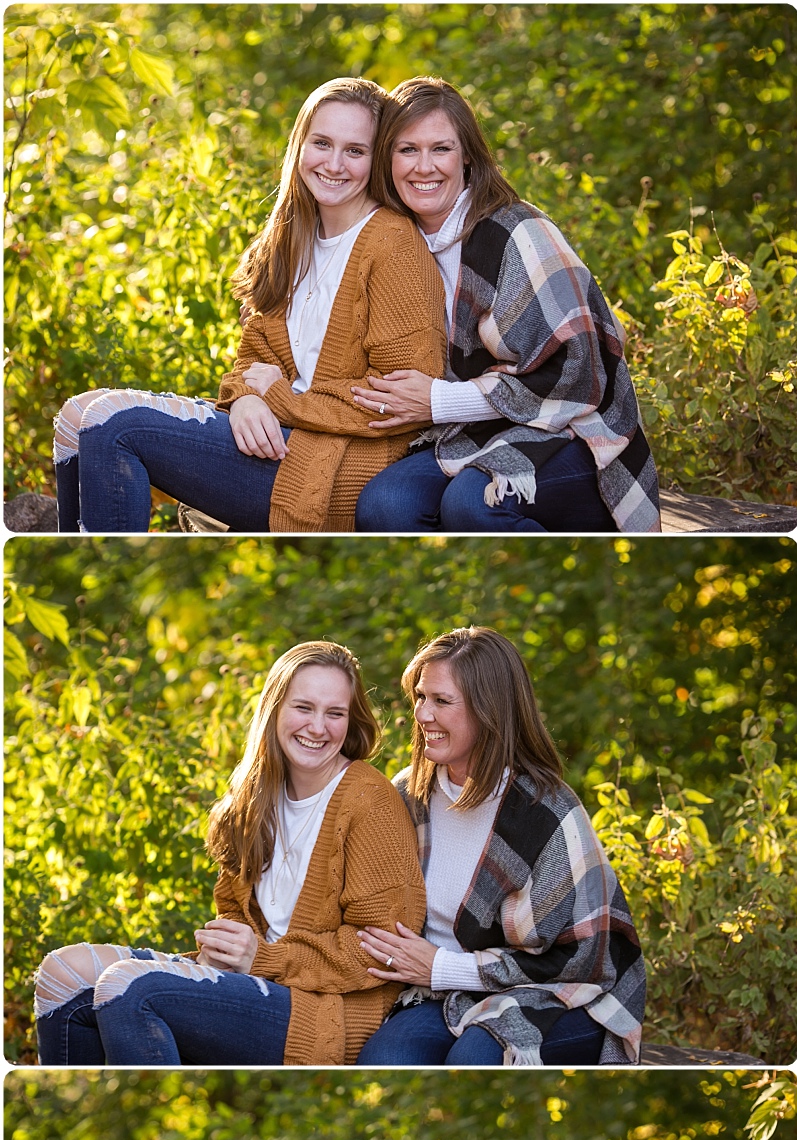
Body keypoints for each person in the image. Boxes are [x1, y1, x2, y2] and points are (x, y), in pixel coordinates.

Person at [53, 78, 446, 532]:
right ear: (301, 145)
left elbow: (399, 400)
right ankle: (85, 561)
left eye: (355, 151)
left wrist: (278, 400)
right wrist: (243, 400)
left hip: (330, 467)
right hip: (276, 441)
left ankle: (103, 572)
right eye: (321, 143)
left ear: (375, 158)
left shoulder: (393, 245)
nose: (334, 164)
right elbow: (255, 358)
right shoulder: (294, 236)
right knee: (74, 420)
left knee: (110, 423)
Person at [32, 641, 426, 1065]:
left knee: (129, 989)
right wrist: (226, 948)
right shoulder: (257, 796)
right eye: (303, 708)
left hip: (328, 1010)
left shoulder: (370, 802)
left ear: (351, 722)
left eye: (335, 713)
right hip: (256, 983)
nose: (318, 727)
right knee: (62, 974)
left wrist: (265, 958)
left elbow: (382, 949)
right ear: (274, 710)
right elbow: (234, 912)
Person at [350, 77, 660, 533]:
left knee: (473, 508)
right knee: (385, 507)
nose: (423, 167)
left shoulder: (521, 232)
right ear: (387, 159)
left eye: (441, 149)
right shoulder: (397, 240)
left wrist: (440, 400)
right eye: (406, 149)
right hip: (469, 433)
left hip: (574, 430)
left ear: (467, 156)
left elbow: (581, 373)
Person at [354, 627, 645, 1064]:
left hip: (553, 993)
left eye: (442, 701)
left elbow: (585, 959)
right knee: (387, 1059)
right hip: (437, 993)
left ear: (489, 711)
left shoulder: (547, 811)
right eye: (420, 697)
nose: (422, 715)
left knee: (475, 1058)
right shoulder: (407, 797)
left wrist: (442, 967)